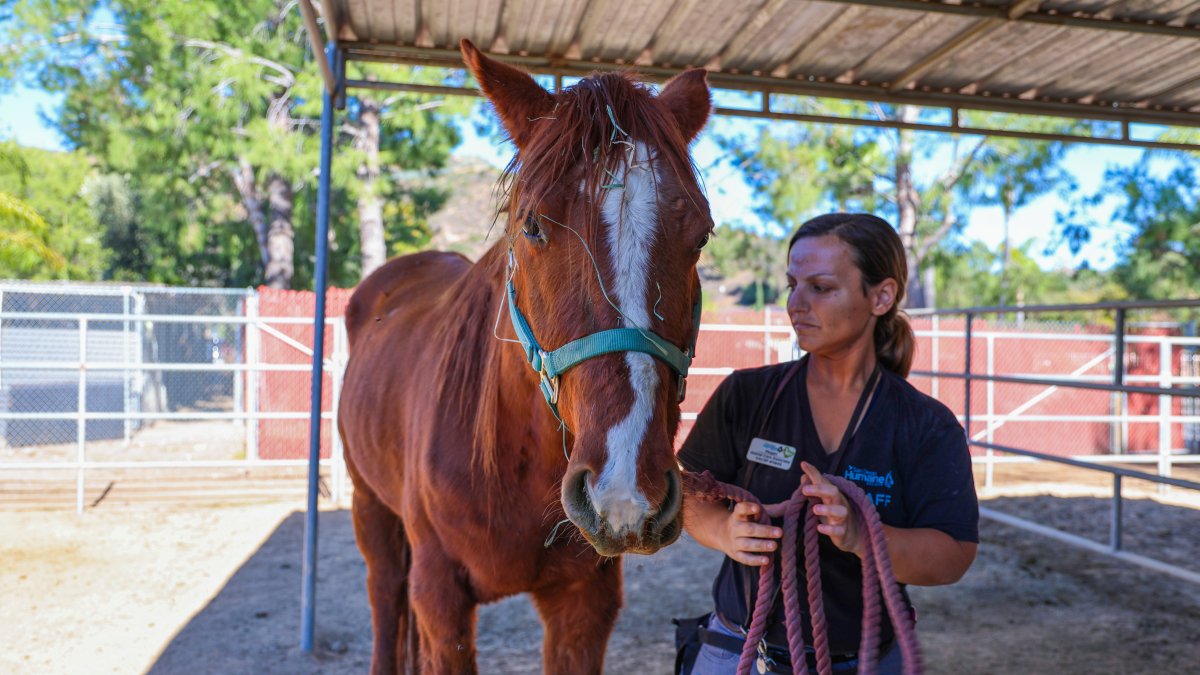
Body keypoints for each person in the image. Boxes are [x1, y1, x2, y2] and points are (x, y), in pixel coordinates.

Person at [677, 213, 979, 675]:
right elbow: (691, 493)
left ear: (881, 297)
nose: (795, 304)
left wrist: (862, 536)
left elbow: (952, 555)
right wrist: (724, 532)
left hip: (863, 661)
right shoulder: (746, 395)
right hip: (736, 653)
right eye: (792, 285)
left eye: (820, 287)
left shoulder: (926, 426)